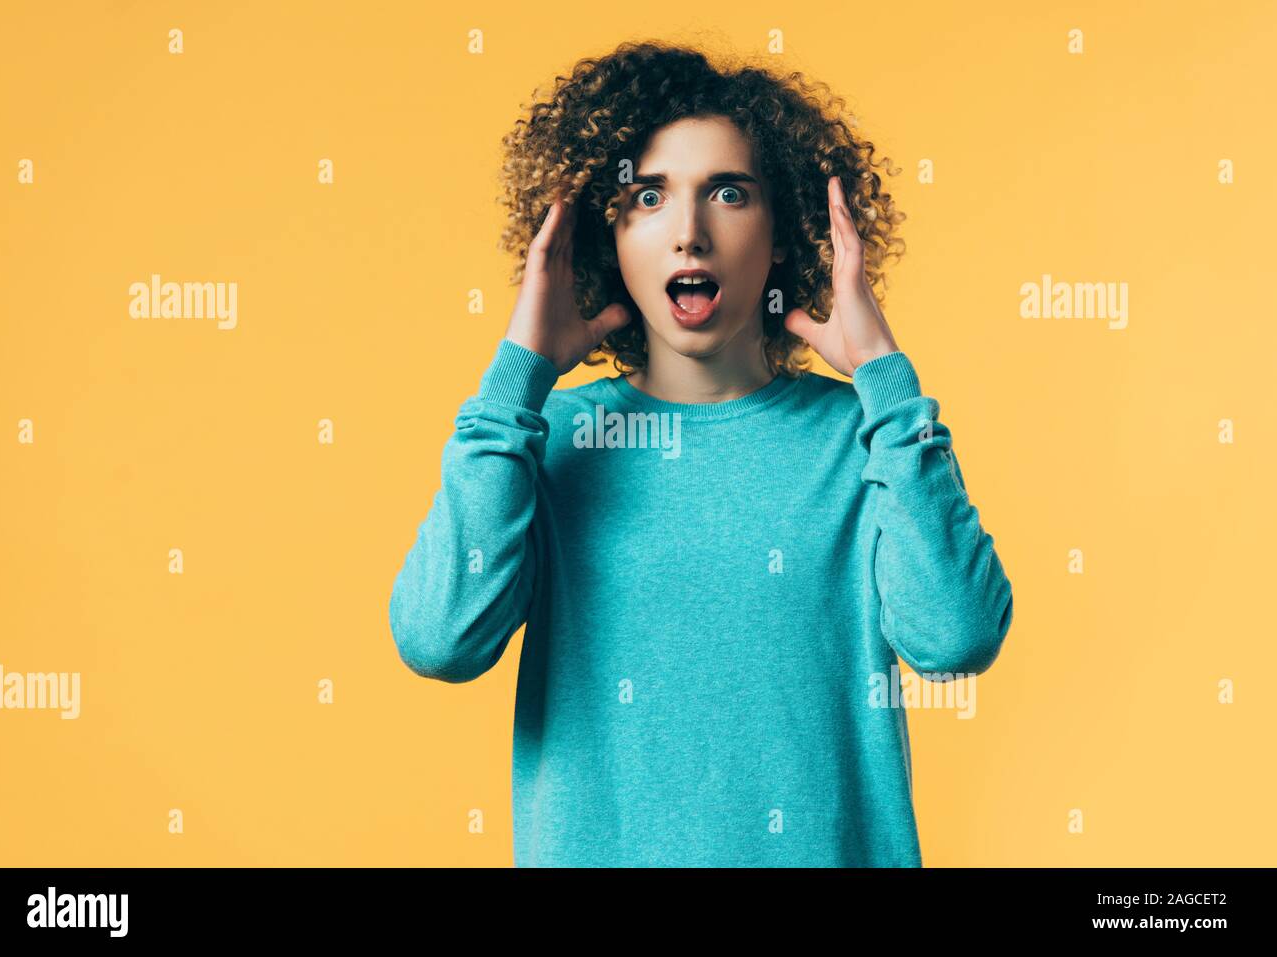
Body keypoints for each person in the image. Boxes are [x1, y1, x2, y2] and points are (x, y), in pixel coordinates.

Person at [389, 40, 1014, 867]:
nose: (690, 233)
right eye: (647, 197)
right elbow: (439, 638)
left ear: (785, 231)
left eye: (728, 192)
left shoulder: (862, 439)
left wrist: (889, 389)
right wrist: (517, 382)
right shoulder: (555, 442)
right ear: (601, 238)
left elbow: (958, 636)